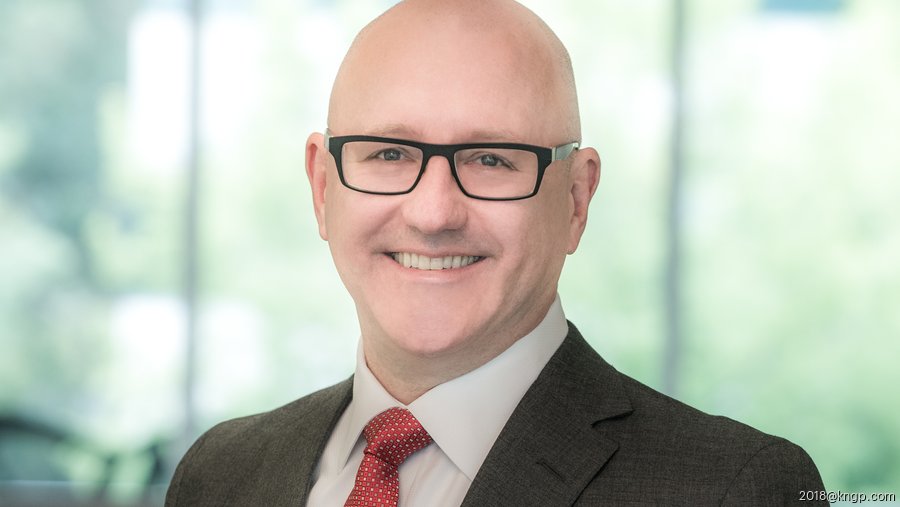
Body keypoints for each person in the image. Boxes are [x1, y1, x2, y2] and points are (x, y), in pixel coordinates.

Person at [165, 0, 827, 505]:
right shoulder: (219, 475)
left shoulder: (733, 488)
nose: (433, 214)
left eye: (491, 159)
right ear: (322, 187)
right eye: (389, 154)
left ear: (576, 200)